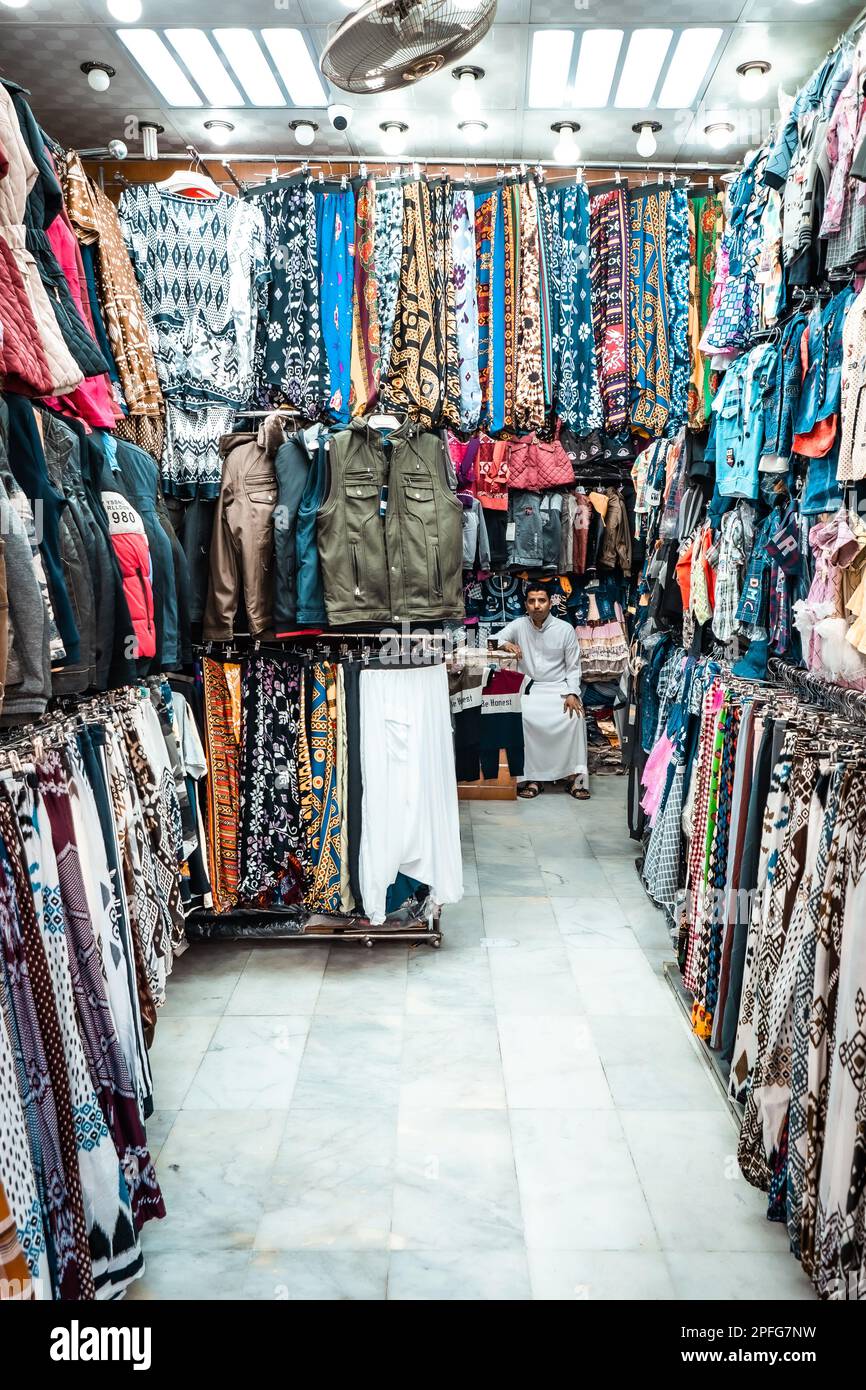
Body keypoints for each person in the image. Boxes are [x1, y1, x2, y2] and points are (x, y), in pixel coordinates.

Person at [495, 584, 590, 800]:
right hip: (529, 688)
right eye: (531, 601)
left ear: (550, 603)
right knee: (524, 717)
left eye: (541, 600)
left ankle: (575, 778)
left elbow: (573, 668)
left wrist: (573, 693)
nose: (537, 606)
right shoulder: (519, 625)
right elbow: (492, 640)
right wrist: (506, 645)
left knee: (575, 717)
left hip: (560, 688)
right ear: (526, 604)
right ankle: (533, 778)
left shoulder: (564, 628)